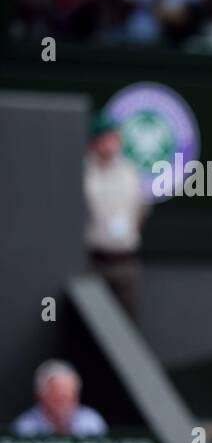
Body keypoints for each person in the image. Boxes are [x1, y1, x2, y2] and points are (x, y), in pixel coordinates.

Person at [84, 112, 151, 321]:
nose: (110, 145)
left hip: (125, 263)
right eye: (105, 139)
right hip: (94, 262)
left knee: (126, 323)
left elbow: (141, 210)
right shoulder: (84, 171)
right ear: (94, 142)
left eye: (114, 138)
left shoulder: (130, 172)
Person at [11, 360, 108, 438]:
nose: (66, 406)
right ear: (42, 398)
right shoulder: (25, 429)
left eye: (72, 398)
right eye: (60, 399)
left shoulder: (91, 422)